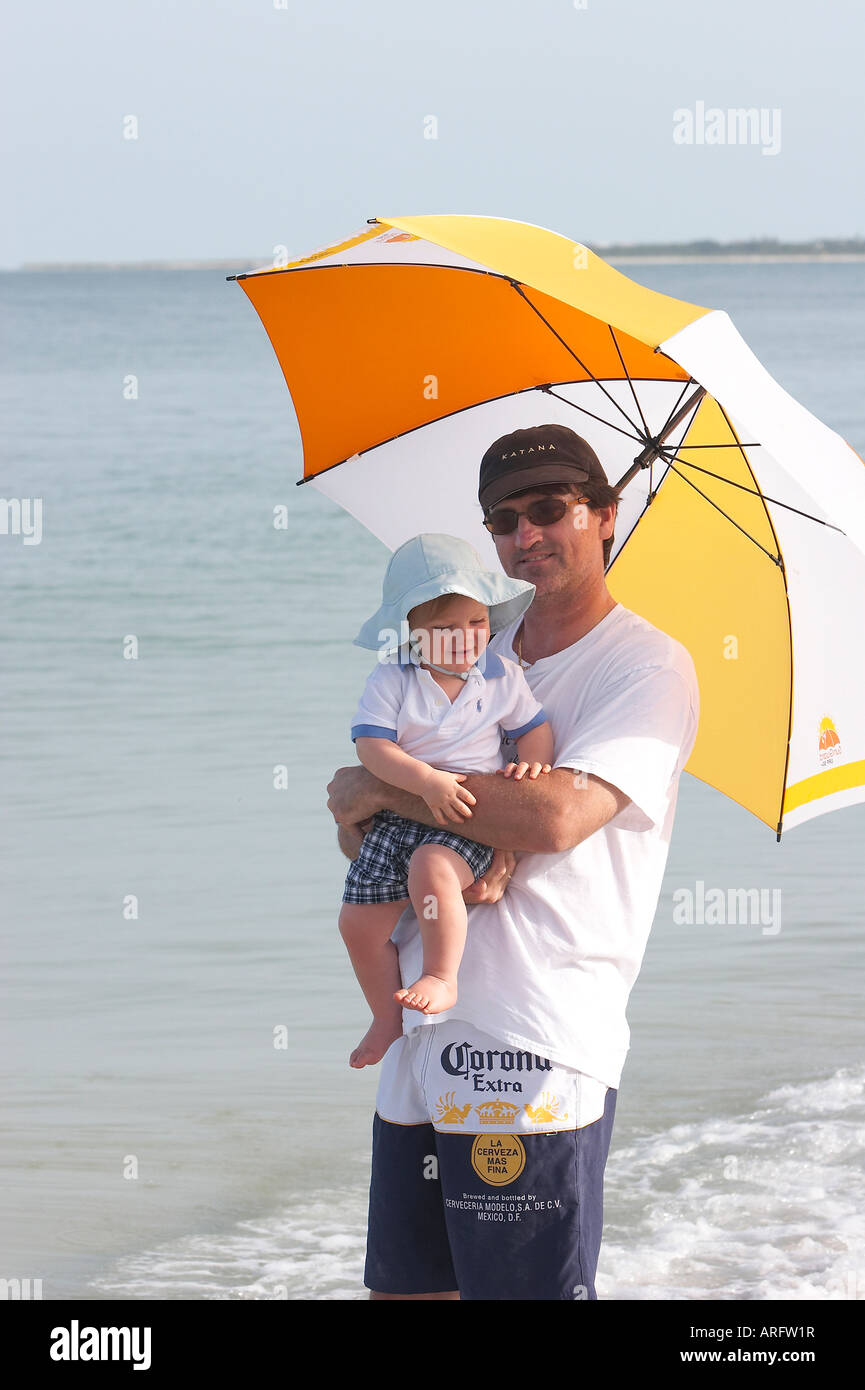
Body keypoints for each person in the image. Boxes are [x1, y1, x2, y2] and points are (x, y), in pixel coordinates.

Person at [327, 423, 700, 1301]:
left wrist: (386, 789)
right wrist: (368, 803)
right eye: (502, 520)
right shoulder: (466, 647)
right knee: (404, 1295)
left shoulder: (646, 666)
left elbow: (557, 816)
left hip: (531, 1034)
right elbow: (360, 834)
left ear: (604, 515)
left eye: (548, 510)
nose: (525, 534)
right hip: (421, 1031)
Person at [339, 533, 554, 1068]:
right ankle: (384, 1019)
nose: (463, 637)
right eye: (443, 629)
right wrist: (424, 782)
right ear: (411, 631)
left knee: (432, 869)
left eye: (476, 622)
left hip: (462, 820)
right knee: (357, 924)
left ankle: (441, 975)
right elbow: (372, 747)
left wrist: (533, 763)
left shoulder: (500, 676)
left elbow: (533, 727)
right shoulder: (394, 676)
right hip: (402, 811)